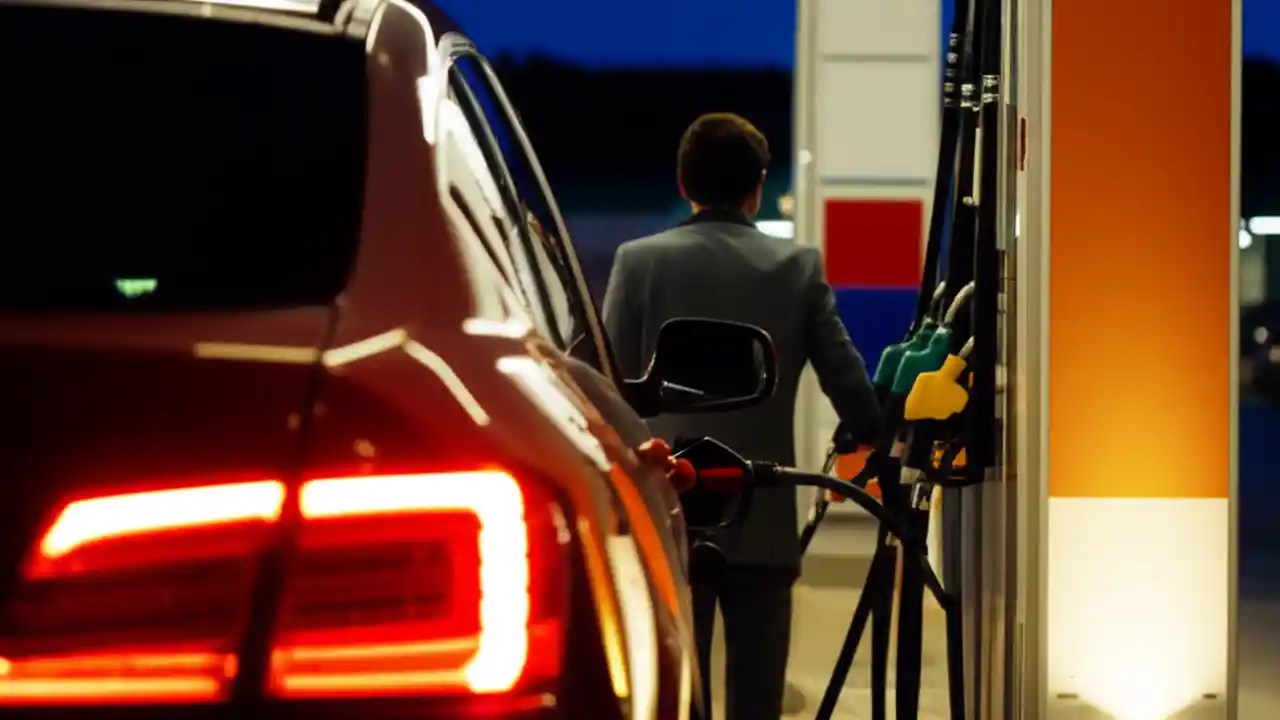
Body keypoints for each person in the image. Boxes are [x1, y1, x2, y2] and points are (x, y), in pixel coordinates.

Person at [602, 113, 881, 719]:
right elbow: (846, 378)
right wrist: (871, 428)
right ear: (758, 187)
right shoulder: (797, 267)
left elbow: (606, 385)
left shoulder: (637, 262)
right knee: (758, 700)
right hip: (763, 510)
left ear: (683, 183)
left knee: (676, 694)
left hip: (670, 515)